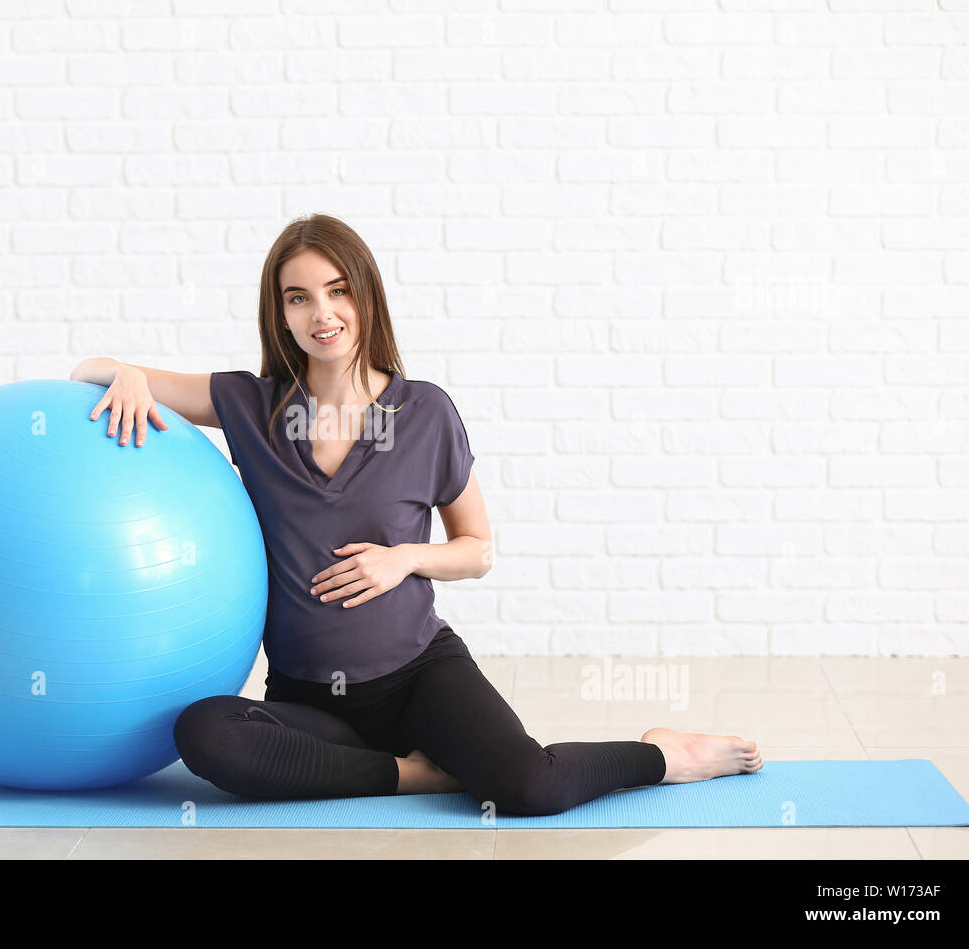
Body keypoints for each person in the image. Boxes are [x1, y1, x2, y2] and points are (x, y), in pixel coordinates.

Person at [68, 213, 763, 816]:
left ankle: (664, 755)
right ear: (279, 314)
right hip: (311, 700)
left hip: (418, 679)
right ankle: (412, 775)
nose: (322, 314)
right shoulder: (250, 405)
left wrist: (405, 557)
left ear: (366, 295)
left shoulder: (424, 413)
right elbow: (86, 373)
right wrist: (127, 372)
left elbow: (478, 548)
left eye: (338, 291)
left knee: (525, 785)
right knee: (206, 735)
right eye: (299, 298)